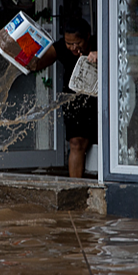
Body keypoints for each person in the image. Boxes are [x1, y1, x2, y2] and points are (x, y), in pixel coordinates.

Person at [37, 17, 98, 178]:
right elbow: (39, 62)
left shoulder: (100, 43)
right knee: (76, 143)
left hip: (99, 100)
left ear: (87, 36)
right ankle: (75, 187)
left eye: (77, 43)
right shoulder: (62, 48)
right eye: (68, 43)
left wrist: (102, 56)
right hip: (75, 101)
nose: (73, 47)